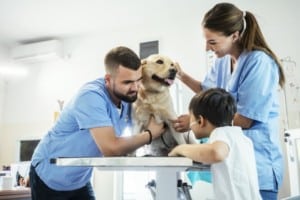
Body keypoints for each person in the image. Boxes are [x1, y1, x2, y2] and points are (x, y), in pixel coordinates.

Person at [173, 3, 285, 200]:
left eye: (212, 42)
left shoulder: (259, 63)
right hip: (230, 169)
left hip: (258, 167)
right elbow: (206, 93)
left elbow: (247, 118)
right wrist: (181, 76)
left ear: (234, 35)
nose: (207, 47)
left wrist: (195, 127)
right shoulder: (222, 62)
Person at [29, 46, 166, 200]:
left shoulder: (127, 97)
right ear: (108, 79)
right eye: (128, 82)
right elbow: (111, 148)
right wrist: (149, 135)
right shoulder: (91, 96)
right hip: (49, 177)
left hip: (79, 180)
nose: (135, 87)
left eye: (138, 80)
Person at [169, 88, 262, 200]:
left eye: (191, 118)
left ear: (201, 121)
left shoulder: (220, 133)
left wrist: (180, 149)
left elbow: (216, 153)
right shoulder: (241, 137)